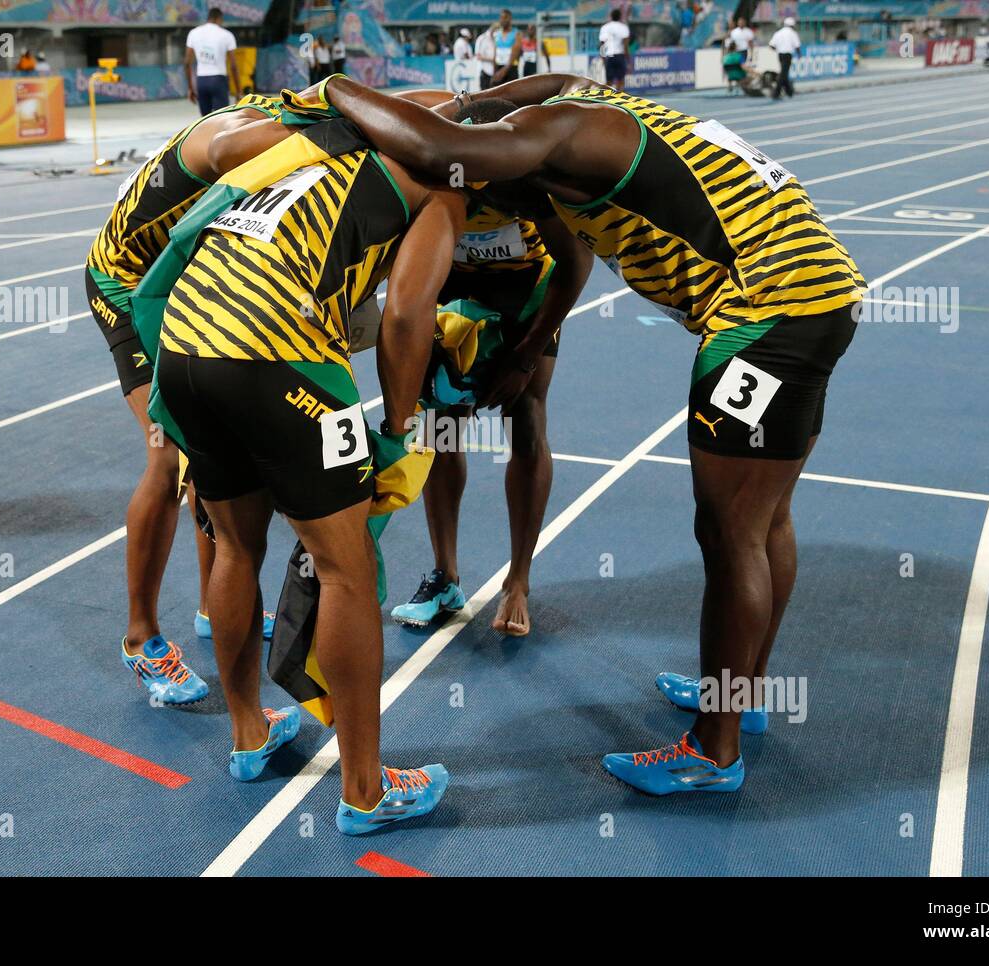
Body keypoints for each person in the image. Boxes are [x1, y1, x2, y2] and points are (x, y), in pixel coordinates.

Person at [310, 72, 865, 794]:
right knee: (764, 521)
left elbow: (439, 142)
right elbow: (515, 98)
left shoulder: (563, 132)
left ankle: (712, 750)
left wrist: (333, 91)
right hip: (820, 295)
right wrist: (468, 109)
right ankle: (740, 695)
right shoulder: (590, 103)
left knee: (730, 535)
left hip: (770, 313)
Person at [151, 115, 468, 833]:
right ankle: (364, 789)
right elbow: (405, 320)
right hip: (274, 352)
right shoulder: (443, 187)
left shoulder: (316, 159)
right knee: (346, 569)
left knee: (234, 547)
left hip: (185, 345)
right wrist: (396, 431)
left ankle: (248, 736)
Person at [85, 93, 284, 705]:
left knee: (212, 440)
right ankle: (140, 638)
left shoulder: (262, 128)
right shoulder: (226, 140)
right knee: (169, 455)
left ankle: (209, 604)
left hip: (174, 281)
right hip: (122, 285)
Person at [386, 93, 593, 637]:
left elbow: (574, 263)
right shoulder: (423, 177)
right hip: (451, 288)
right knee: (440, 428)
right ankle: (445, 577)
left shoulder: (520, 178)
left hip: (526, 292)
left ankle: (518, 580)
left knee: (524, 421)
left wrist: (525, 357)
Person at [185, 7, 239, 116]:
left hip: (201, 81)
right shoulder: (227, 35)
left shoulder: (193, 33)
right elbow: (233, 66)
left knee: (205, 121)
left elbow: (187, 63)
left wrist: (190, 88)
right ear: (219, 19)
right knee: (222, 118)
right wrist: (238, 90)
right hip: (219, 80)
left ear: (208, 18)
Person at [769, 16, 801, 99]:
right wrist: (799, 54)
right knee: (783, 73)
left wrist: (778, 49)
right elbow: (797, 45)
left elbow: (771, 45)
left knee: (784, 73)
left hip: (780, 55)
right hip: (788, 55)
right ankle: (776, 92)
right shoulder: (793, 33)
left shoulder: (778, 33)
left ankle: (789, 91)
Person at [599, 10, 630, 92]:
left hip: (609, 56)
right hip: (620, 56)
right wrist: (629, 61)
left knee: (609, 81)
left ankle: (607, 100)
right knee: (621, 81)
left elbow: (602, 44)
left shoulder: (605, 27)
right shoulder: (623, 27)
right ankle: (620, 99)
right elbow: (625, 46)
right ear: (620, 17)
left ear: (611, 16)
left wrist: (602, 58)